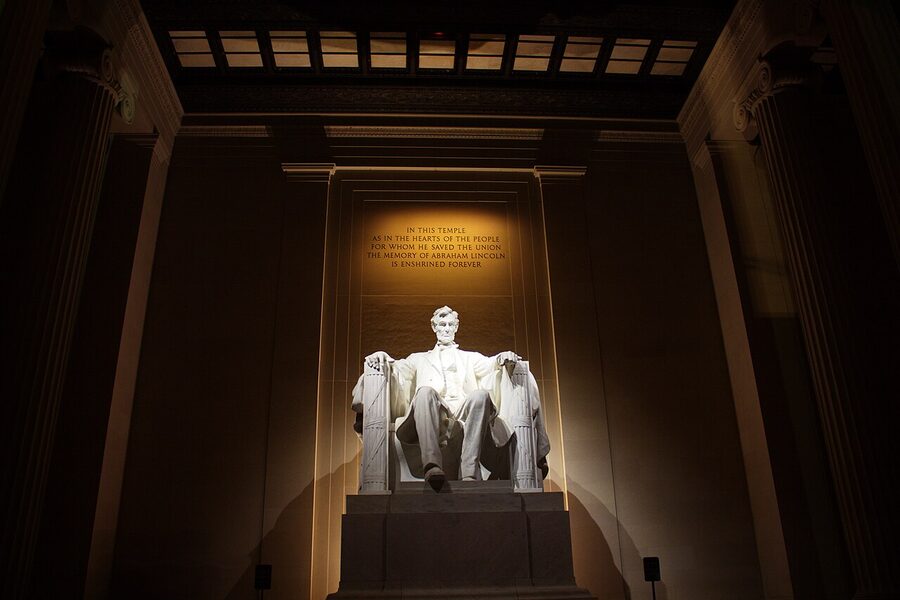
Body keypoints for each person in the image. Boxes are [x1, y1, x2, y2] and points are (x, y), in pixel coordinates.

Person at [353, 305, 548, 490]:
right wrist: (381, 355)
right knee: (425, 391)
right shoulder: (419, 358)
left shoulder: (470, 358)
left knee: (480, 395)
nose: (446, 329)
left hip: (464, 412)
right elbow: (396, 368)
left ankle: (469, 471)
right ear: (434, 327)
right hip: (433, 412)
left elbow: (492, 364)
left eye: (450, 325)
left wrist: (503, 357)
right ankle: (432, 466)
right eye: (442, 324)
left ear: (456, 327)